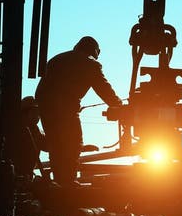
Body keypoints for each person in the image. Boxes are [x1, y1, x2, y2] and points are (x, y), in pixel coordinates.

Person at [36, 36, 123, 186]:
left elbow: (42, 89)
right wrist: (119, 105)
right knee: (74, 143)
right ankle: (68, 181)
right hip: (65, 110)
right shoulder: (91, 65)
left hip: (45, 108)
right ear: (94, 51)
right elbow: (104, 89)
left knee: (56, 144)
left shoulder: (57, 59)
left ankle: (59, 181)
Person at [11, 96, 48, 183]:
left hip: (27, 176)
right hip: (15, 176)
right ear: (25, 113)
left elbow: (48, 146)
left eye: (38, 112)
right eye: (35, 112)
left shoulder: (36, 131)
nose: (38, 115)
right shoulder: (17, 131)